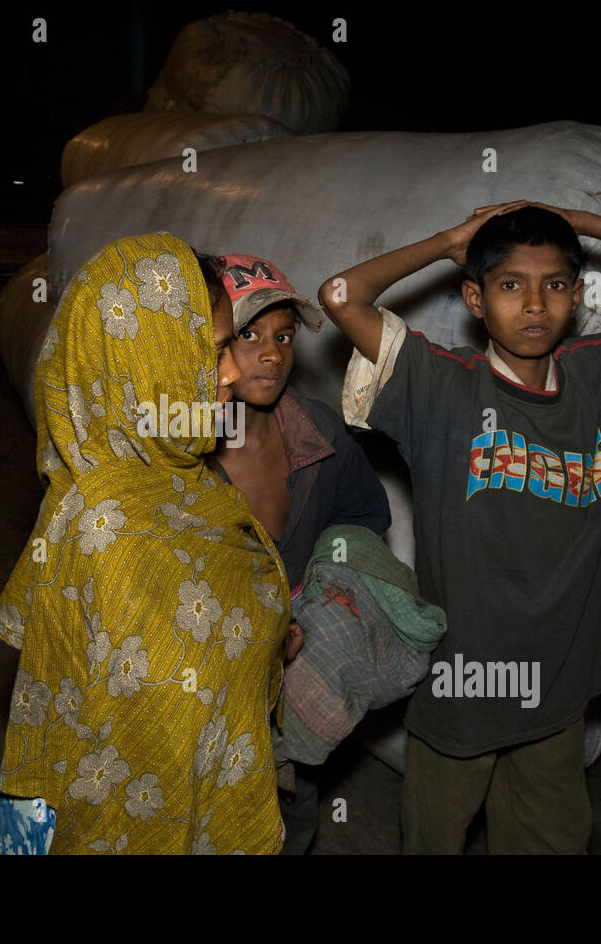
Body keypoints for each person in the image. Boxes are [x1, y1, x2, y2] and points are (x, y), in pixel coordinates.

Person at [318, 202, 601, 854]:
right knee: (434, 836)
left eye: (554, 284)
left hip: (560, 684)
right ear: (475, 298)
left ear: (575, 295)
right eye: (511, 284)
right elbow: (340, 295)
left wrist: (580, 222)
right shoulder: (439, 386)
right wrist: (447, 239)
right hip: (464, 683)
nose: (535, 303)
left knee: (548, 836)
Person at [0, 231, 291, 855]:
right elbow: (149, 733)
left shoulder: (184, 485)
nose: (233, 371)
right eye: (210, 352)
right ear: (142, 365)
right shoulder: (105, 529)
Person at [201, 253, 392, 853]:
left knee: (289, 805)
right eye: (247, 334)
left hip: (289, 677)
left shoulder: (317, 430)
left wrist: (319, 604)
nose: (272, 353)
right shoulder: (180, 452)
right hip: (203, 684)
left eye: (283, 336)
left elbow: (363, 519)